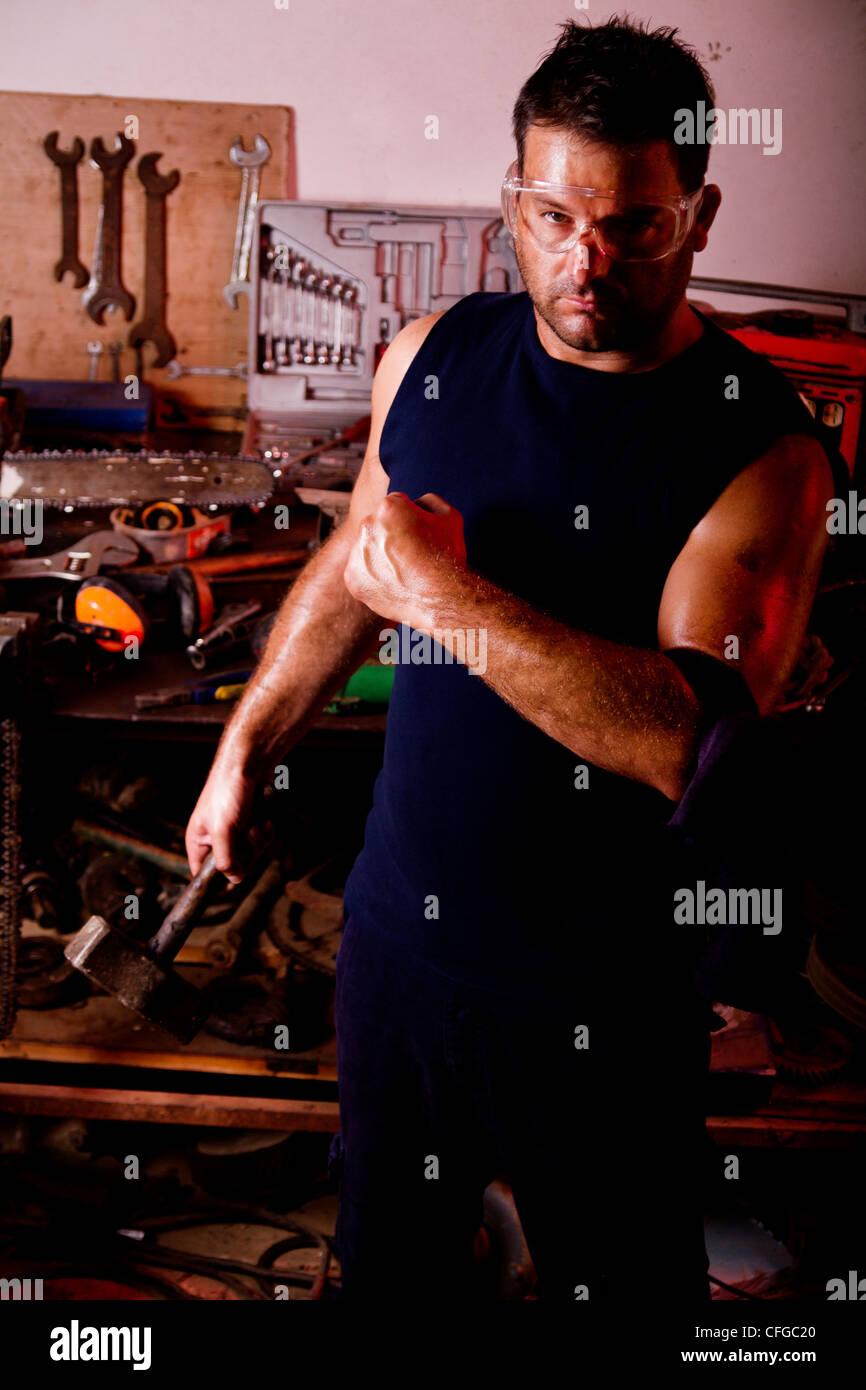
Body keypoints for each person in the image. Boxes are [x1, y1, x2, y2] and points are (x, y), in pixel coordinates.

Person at [186, 18, 843, 1302]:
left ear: (697, 213)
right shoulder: (431, 357)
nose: (585, 261)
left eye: (633, 225)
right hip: (397, 950)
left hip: (599, 997)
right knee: (391, 1280)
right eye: (552, 216)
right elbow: (347, 571)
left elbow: (685, 740)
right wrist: (241, 748)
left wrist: (443, 592)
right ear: (512, 200)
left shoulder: (762, 450)